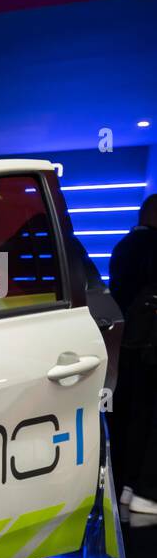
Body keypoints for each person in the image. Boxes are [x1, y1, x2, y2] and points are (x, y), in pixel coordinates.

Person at [110, 194, 157, 517]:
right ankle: (144, 490)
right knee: (147, 418)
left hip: (129, 344)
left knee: (135, 416)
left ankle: (129, 485)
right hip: (148, 345)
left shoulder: (123, 246)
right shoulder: (150, 249)